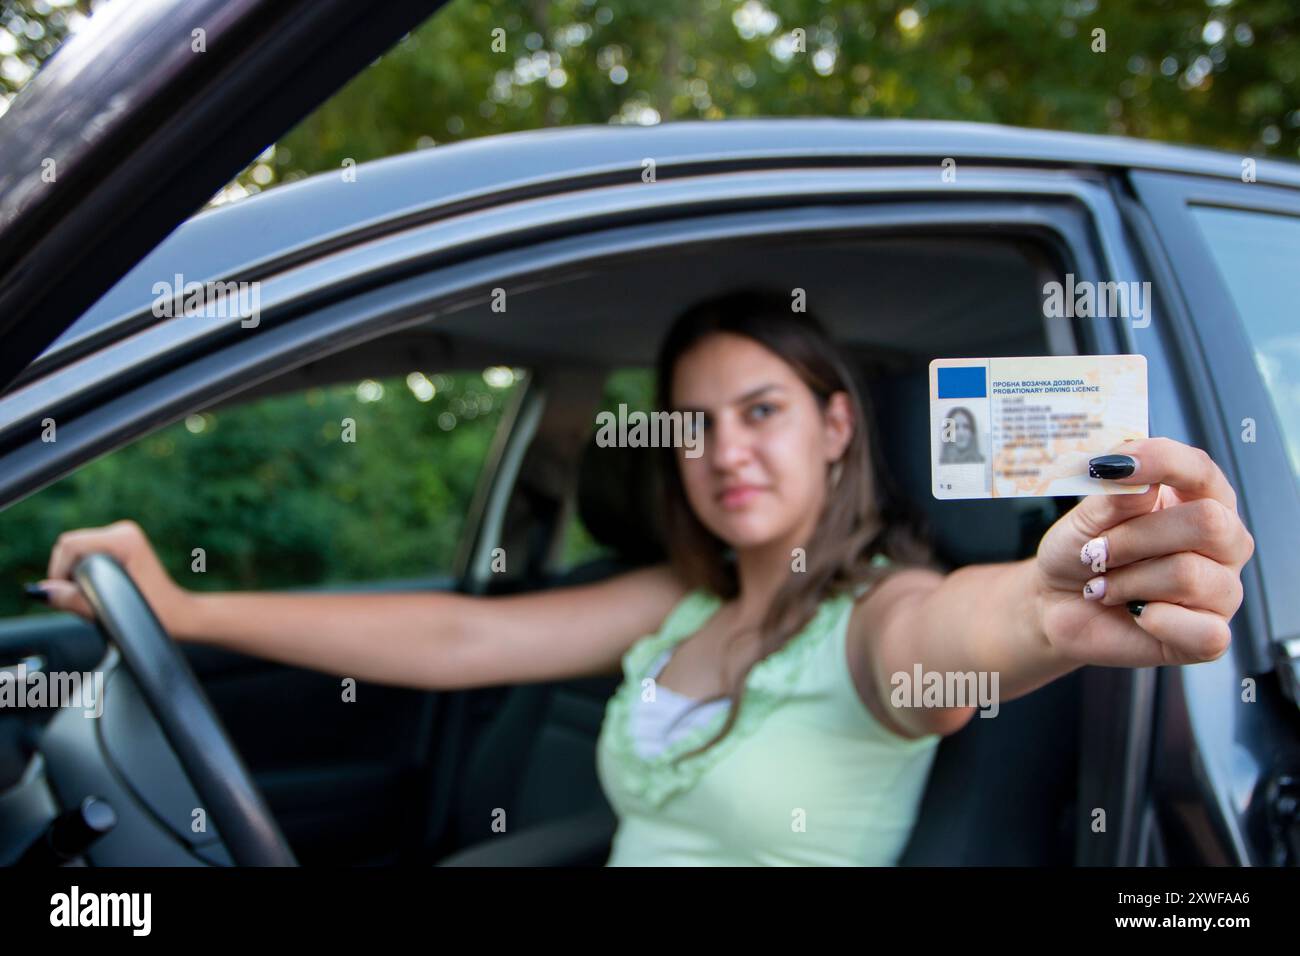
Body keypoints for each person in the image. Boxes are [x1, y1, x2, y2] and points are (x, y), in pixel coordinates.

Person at [34, 290, 1255, 866]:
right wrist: (184, 610)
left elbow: (957, 634)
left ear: (836, 425)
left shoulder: (880, 614)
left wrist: (1048, 606)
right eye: (695, 422)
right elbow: (459, 642)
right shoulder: (678, 596)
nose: (725, 448)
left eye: (762, 410)